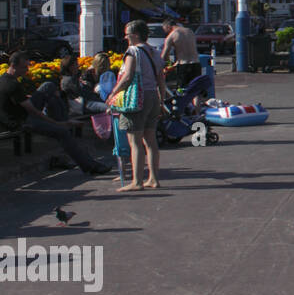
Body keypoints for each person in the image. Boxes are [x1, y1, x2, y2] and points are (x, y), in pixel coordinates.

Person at [0, 52, 112, 176]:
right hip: (21, 121)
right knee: (62, 131)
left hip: (21, 115)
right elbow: (33, 111)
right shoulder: (12, 85)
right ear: (14, 66)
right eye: (24, 67)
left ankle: (64, 125)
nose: (27, 70)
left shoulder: (5, 79)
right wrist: (59, 123)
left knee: (49, 88)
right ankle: (89, 165)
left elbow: (19, 102)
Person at [107, 20, 168, 191]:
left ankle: (137, 181)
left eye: (127, 34)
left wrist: (113, 93)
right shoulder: (154, 52)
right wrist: (161, 100)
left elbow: (128, 76)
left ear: (135, 35)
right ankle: (154, 179)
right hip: (153, 97)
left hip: (136, 98)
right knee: (150, 140)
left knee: (135, 141)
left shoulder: (132, 51)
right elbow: (161, 78)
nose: (125, 37)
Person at [161, 18, 201, 92]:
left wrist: (168, 65)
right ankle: (196, 104)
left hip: (183, 65)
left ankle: (184, 103)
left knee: (182, 90)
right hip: (196, 63)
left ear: (168, 26)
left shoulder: (171, 36)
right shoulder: (189, 31)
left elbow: (164, 55)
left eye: (165, 30)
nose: (165, 32)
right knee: (196, 90)